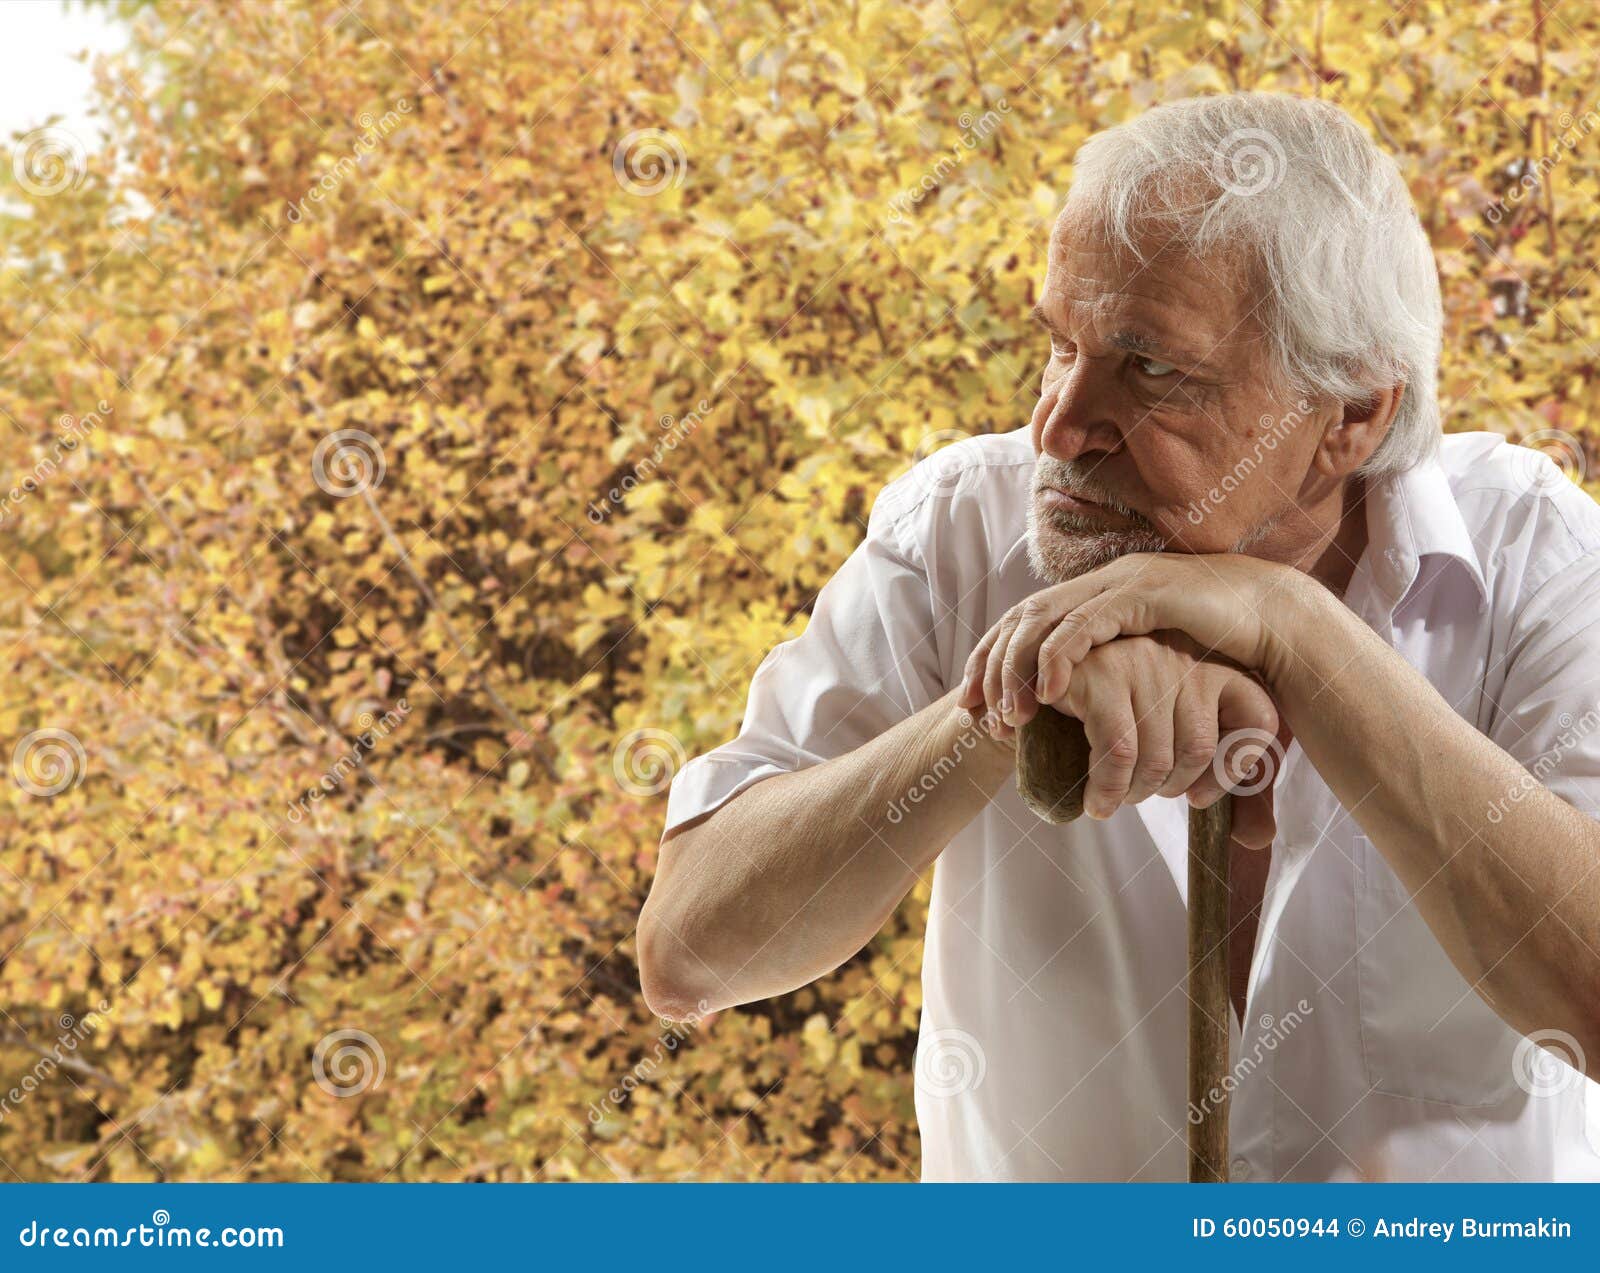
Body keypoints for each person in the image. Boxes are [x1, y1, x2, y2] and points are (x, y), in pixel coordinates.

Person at [638, 92, 1600, 1181]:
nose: (1060, 423)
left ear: (1352, 417)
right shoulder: (960, 531)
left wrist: (1299, 637)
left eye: (1151, 371)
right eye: (1060, 345)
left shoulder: (1542, 557)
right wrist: (1010, 702)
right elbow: (689, 951)